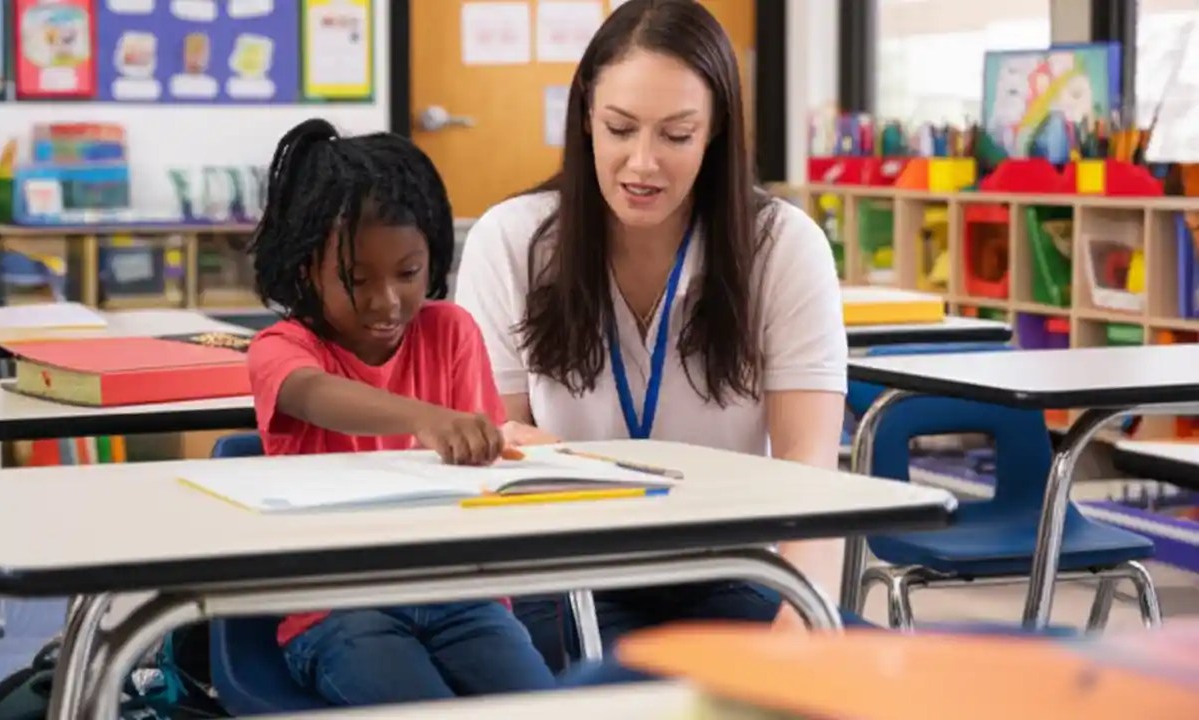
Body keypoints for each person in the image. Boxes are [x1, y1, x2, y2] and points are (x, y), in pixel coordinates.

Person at [454, 0, 852, 675]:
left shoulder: (782, 246)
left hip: (732, 567)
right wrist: (514, 445)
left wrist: (805, 612)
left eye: (676, 134)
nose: (642, 163)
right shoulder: (513, 240)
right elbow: (495, 441)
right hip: (567, 576)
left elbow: (808, 462)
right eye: (619, 128)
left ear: (715, 131)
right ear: (585, 118)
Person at [245, 118, 556, 706]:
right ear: (307, 267)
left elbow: (482, 461)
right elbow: (313, 395)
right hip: (338, 608)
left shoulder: (452, 331)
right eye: (358, 280)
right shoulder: (282, 349)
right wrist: (424, 419)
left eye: (408, 274)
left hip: (458, 596)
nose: (387, 301)